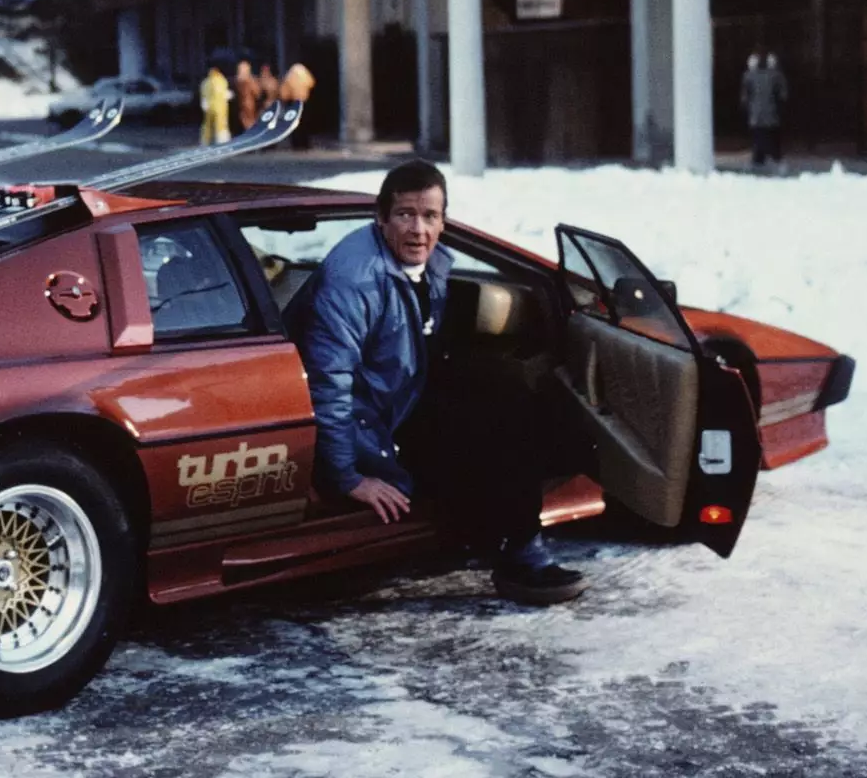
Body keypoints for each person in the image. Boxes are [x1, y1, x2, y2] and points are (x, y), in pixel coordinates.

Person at [283, 161, 588, 606]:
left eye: (430, 216)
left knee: (512, 390)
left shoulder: (428, 263)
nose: (418, 229)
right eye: (405, 214)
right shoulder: (354, 280)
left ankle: (500, 529)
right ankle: (519, 552)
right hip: (373, 425)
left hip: (399, 394)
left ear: (444, 221)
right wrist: (348, 477)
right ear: (382, 219)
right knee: (497, 427)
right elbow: (329, 387)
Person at [741, 49, 789, 171]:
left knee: (758, 137)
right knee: (773, 137)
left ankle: (759, 159)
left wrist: (748, 107)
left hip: (755, 113)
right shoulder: (777, 75)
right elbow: (783, 94)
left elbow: (745, 97)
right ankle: (776, 158)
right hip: (772, 112)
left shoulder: (748, 76)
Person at [199, 65, 232, 145]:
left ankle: (205, 140)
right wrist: (227, 94)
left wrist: (204, 102)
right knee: (221, 123)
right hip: (220, 106)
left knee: (208, 125)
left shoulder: (206, 82)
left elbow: (203, 93)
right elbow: (222, 92)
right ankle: (222, 140)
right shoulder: (221, 80)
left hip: (210, 106)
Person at [233, 60, 262, 133]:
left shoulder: (237, 81)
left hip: (242, 104)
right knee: (250, 122)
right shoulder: (249, 80)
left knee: (245, 120)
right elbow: (257, 93)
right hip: (249, 103)